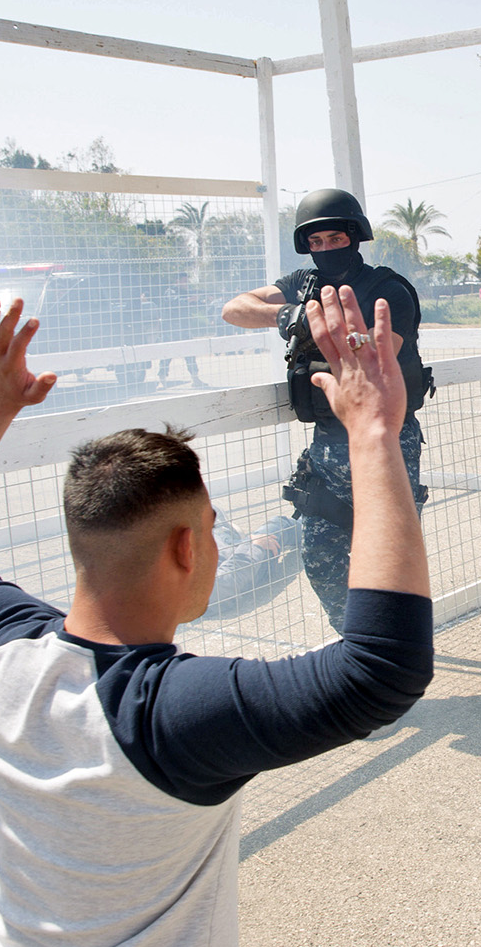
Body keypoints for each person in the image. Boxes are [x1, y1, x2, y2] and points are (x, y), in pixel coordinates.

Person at [0, 286, 432, 947]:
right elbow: (380, 668)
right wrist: (375, 434)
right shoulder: (166, 715)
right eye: (212, 530)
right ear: (186, 547)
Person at [220, 189, 430, 632]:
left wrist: (318, 325)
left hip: (383, 441)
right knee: (319, 555)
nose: (326, 250)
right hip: (329, 447)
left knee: (390, 557)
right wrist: (291, 314)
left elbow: (378, 355)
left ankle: (393, 649)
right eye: (316, 243)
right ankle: (354, 642)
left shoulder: (387, 289)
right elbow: (234, 309)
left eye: (335, 239)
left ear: (354, 238)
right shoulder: (305, 284)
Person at [204, 513, 303, 618]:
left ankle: (223, 532)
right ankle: (312, 526)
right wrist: (253, 545)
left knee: (208, 512)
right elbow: (227, 581)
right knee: (280, 523)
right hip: (248, 566)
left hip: (220, 552)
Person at [158, 270, 210, 387]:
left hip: (184, 327)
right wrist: (189, 299)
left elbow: (193, 306)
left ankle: (195, 379)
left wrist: (202, 301)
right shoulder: (170, 292)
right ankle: (162, 379)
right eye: (184, 281)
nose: (186, 283)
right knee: (167, 354)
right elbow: (173, 302)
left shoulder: (185, 292)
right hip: (171, 329)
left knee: (190, 353)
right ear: (177, 281)